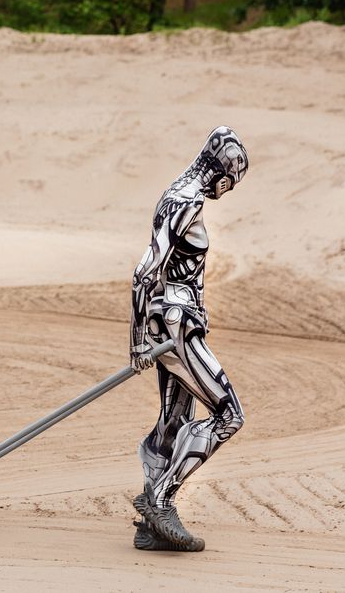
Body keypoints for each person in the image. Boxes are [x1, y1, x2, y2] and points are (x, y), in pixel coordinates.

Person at [128, 126, 249, 552]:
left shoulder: (174, 192)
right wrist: (139, 340)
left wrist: (146, 333)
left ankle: (150, 530)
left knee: (173, 423)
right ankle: (159, 500)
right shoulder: (188, 201)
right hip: (177, 324)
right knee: (229, 414)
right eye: (228, 185)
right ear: (221, 178)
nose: (224, 192)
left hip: (169, 320)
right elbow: (146, 271)